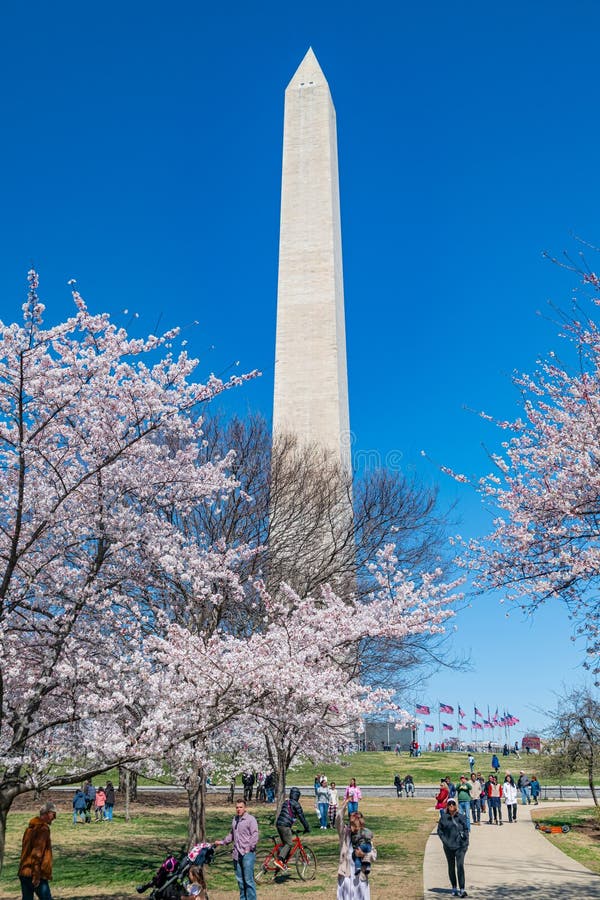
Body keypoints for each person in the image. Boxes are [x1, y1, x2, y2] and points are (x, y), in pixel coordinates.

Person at [215, 798, 258, 900]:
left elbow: (255, 835)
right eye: (237, 807)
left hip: (247, 854)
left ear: (245, 808)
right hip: (236, 854)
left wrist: (249, 848)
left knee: (248, 881)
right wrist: (222, 842)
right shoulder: (235, 820)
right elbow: (231, 835)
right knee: (240, 881)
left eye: (240, 807)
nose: (238, 809)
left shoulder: (251, 820)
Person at [335, 797, 377, 899]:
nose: (353, 828)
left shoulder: (365, 835)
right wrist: (344, 805)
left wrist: (364, 855)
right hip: (346, 875)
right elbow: (338, 819)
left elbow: (374, 854)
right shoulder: (345, 833)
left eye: (355, 825)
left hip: (360, 875)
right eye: (351, 824)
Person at [18, 800, 57, 900]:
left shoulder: (30, 828)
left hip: (24, 871)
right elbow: (37, 853)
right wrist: (36, 875)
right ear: (47, 813)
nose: (54, 818)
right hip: (35, 873)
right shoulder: (42, 829)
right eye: (54, 814)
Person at [437, 798, 469, 898]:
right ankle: (454, 887)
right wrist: (445, 841)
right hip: (448, 846)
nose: (451, 805)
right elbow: (440, 831)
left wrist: (465, 842)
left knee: (460, 866)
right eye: (449, 804)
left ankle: (462, 889)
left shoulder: (461, 817)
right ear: (447, 806)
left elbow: (466, 830)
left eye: (453, 803)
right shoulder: (443, 818)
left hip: (460, 846)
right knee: (451, 867)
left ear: (456, 805)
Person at [274, 787, 310, 870]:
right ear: (297, 796)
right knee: (289, 844)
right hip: (285, 826)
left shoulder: (286, 802)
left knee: (285, 844)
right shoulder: (296, 804)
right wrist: (307, 827)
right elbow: (302, 818)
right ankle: (279, 860)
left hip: (279, 824)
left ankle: (283, 862)